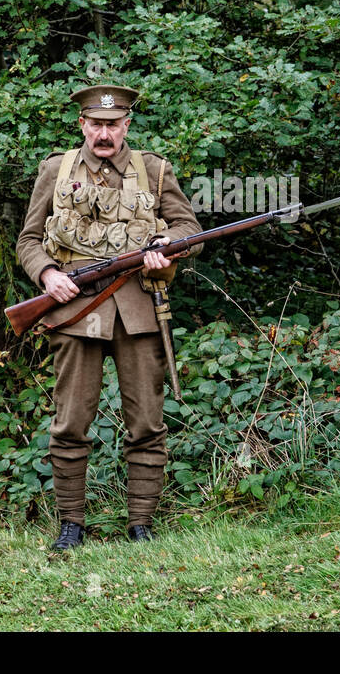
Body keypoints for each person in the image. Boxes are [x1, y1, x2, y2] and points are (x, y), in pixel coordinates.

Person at [16, 84, 202, 549]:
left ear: (126, 126)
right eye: (95, 124)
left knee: (146, 423)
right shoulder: (56, 171)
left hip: (140, 309)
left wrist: (166, 247)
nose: (103, 133)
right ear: (82, 124)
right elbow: (28, 241)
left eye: (112, 124)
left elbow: (190, 230)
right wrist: (47, 276)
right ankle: (71, 525)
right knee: (71, 422)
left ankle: (140, 524)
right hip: (74, 310)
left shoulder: (155, 172)